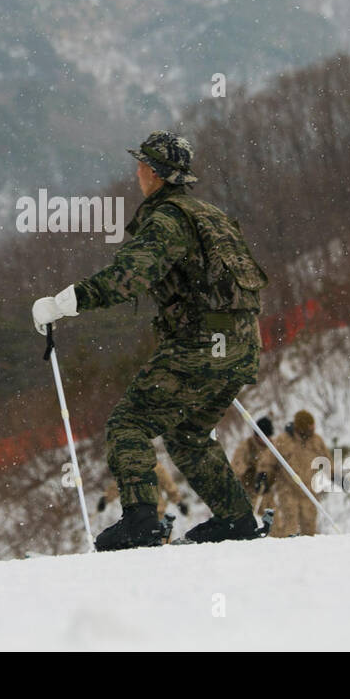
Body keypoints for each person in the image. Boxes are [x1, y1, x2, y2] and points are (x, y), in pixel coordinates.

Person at [32, 131, 269, 549]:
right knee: (188, 434)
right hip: (243, 342)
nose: (137, 171)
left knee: (129, 424)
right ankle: (235, 520)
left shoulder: (168, 219)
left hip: (201, 342)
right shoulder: (209, 214)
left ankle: (141, 520)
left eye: (142, 165)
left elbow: (128, 277)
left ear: (154, 173)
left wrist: (64, 302)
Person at [255, 410, 329, 537]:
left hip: (309, 492)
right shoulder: (283, 440)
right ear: (301, 427)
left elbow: (327, 462)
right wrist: (263, 475)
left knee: (309, 529)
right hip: (288, 491)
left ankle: (310, 554)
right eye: (309, 427)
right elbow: (268, 459)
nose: (312, 429)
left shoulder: (316, 441)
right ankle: (288, 554)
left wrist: (337, 477)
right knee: (290, 528)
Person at [97, 459, 187, 519]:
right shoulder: (156, 467)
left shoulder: (130, 468)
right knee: (161, 542)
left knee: (146, 543)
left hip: (142, 513)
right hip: (152, 511)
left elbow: (118, 486)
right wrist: (179, 502)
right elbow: (169, 486)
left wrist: (105, 499)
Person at [233, 416, 273, 514]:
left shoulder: (273, 447)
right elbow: (236, 465)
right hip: (248, 493)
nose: (266, 439)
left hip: (267, 494)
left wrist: (267, 474)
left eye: (268, 436)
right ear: (257, 435)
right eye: (264, 436)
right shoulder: (246, 446)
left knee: (274, 523)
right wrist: (250, 471)